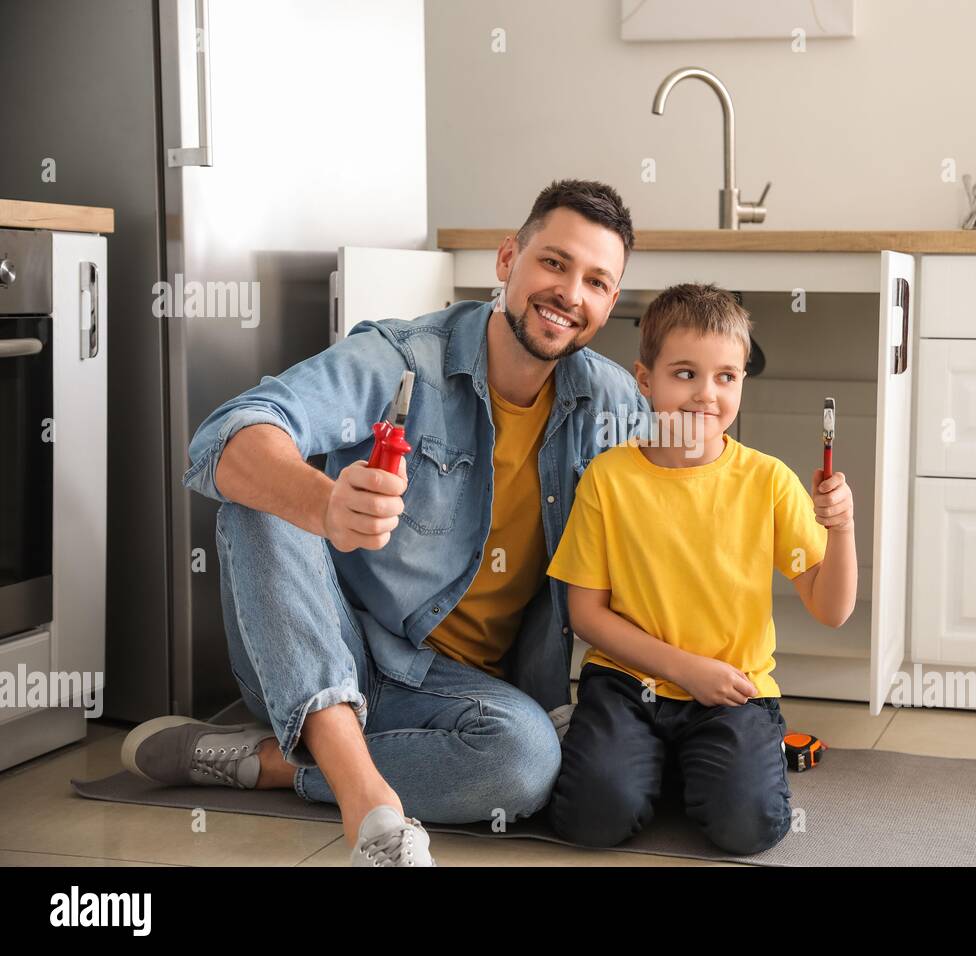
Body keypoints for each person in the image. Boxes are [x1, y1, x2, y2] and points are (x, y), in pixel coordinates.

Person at [120, 180, 649, 866]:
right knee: (263, 501)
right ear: (508, 258)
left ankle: (272, 763)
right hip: (313, 643)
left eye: (596, 281)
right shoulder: (401, 358)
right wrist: (325, 505)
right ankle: (372, 814)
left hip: (446, 689)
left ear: (610, 303)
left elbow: (686, 508)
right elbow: (226, 435)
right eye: (554, 263)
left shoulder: (611, 404)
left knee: (527, 762)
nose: (569, 293)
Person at [544, 283, 858, 855]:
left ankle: (681, 765)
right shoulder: (609, 479)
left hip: (732, 692)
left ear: (741, 380)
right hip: (626, 683)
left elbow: (832, 610)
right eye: (684, 373)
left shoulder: (768, 481)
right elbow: (586, 614)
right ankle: (643, 759)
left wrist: (843, 529)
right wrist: (687, 670)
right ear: (646, 380)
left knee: (748, 829)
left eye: (726, 377)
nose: (706, 395)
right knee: (590, 820)